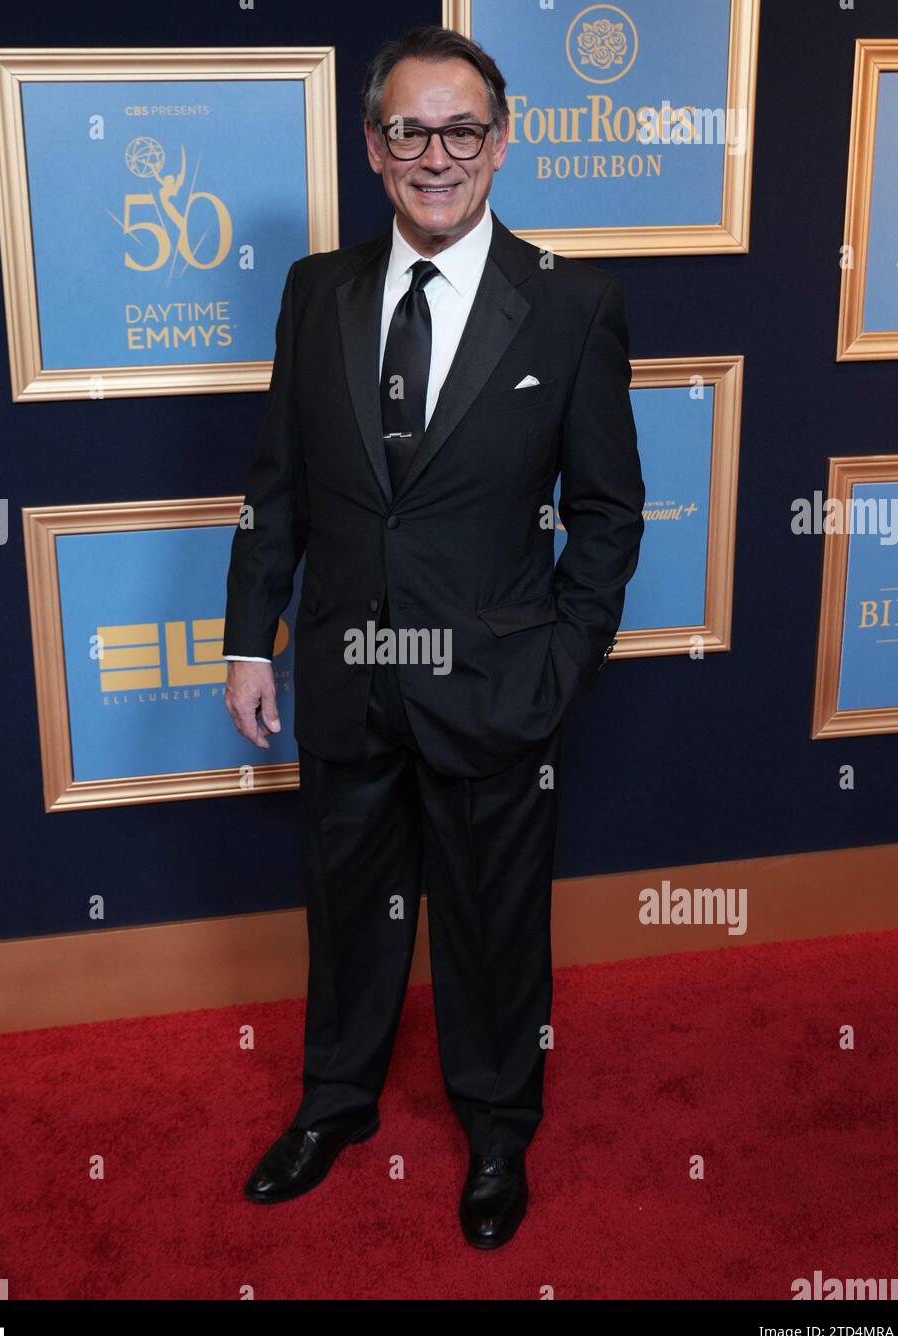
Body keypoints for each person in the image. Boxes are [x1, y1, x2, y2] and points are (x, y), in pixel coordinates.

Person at [223, 24, 645, 1249]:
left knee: (491, 924)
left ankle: (498, 1127)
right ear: (372, 145)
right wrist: (252, 634)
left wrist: (557, 665)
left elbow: (608, 515)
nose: (436, 154)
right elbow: (278, 482)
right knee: (347, 909)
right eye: (409, 130)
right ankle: (334, 1104)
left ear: (500, 144)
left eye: (461, 129)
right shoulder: (316, 292)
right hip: (348, 681)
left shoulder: (572, 307)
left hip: (493, 691)